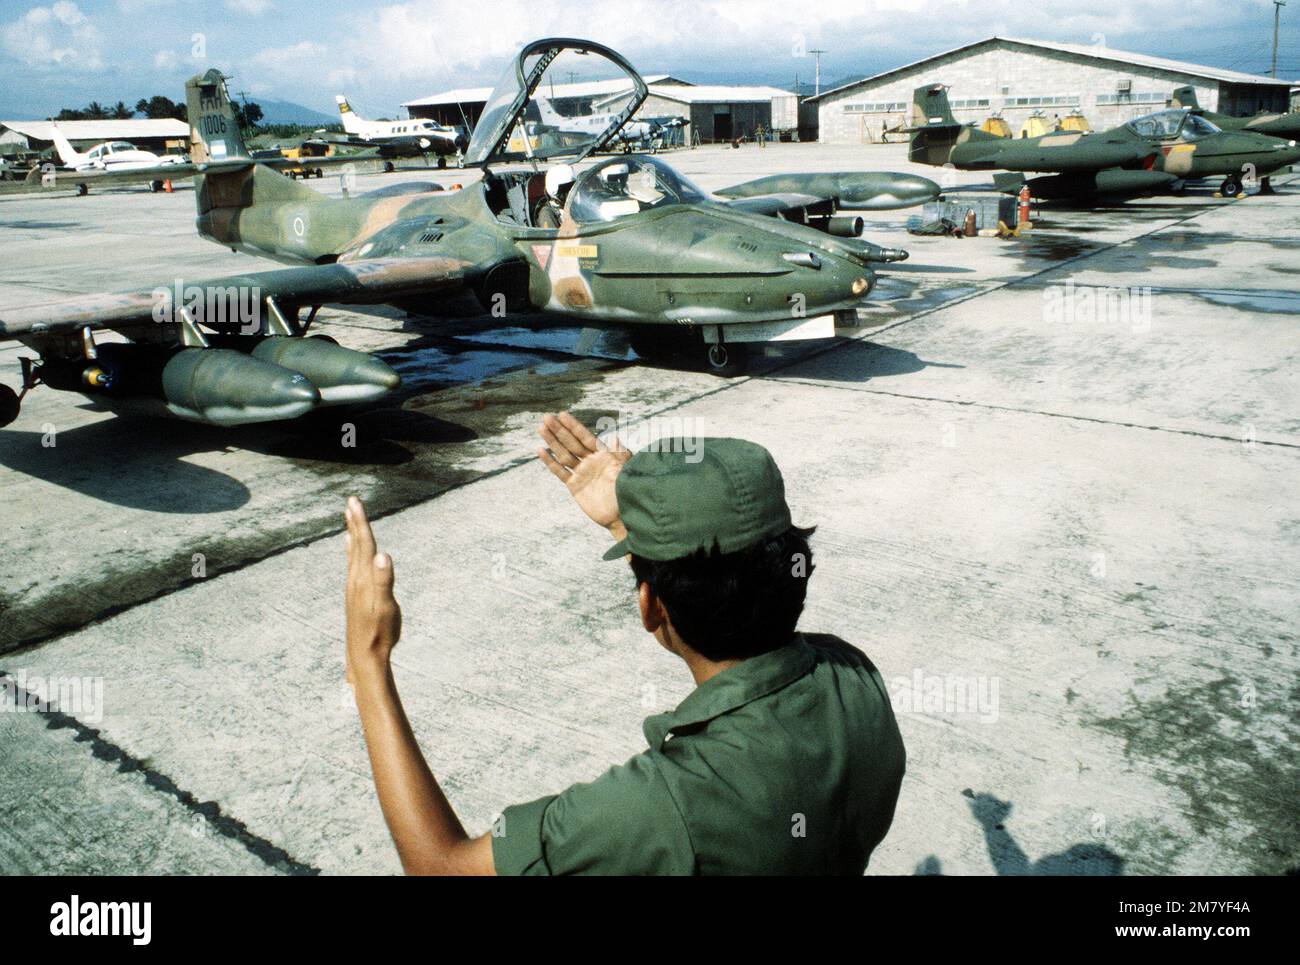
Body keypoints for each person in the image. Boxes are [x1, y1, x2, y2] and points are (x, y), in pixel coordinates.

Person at [342, 411, 905, 875]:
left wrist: (369, 662)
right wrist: (633, 526)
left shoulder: (656, 807)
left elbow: (440, 867)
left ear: (650, 607)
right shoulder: (855, 677)